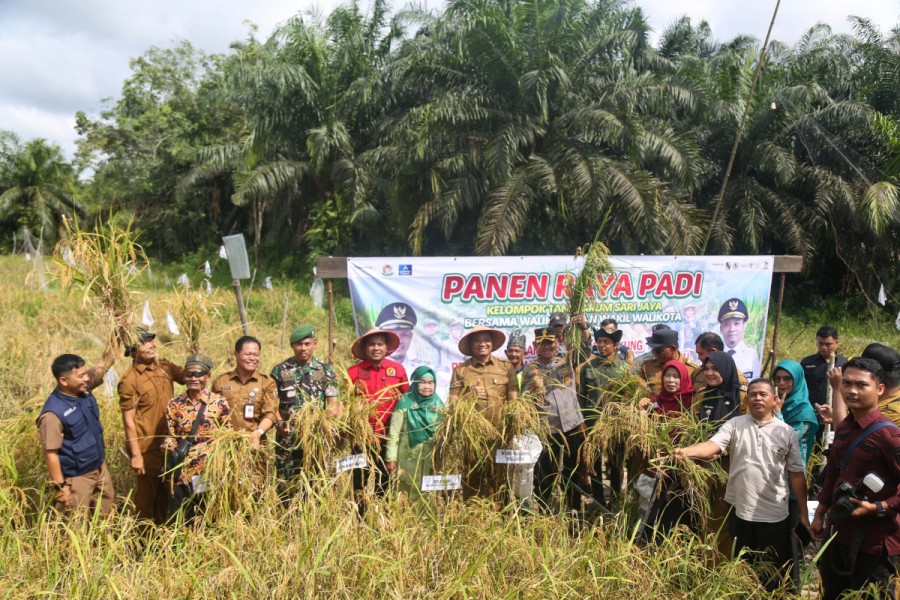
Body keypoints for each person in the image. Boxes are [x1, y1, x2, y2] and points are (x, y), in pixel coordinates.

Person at [676, 379, 811, 593]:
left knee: (770, 574)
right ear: (746, 399)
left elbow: (796, 474)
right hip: (740, 511)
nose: (757, 398)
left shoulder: (786, 432)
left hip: (774, 514)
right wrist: (684, 451)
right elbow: (713, 445)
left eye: (763, 394)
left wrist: (804, 512)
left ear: (774, 399)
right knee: (742, 570)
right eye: (753, 394)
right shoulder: (735, 424)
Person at [811, 358, 900, 600]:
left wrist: (878, 507)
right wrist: (820, 512)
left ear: (879, 389)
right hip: (839, 534)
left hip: (875, 543)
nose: (852, 390)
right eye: (847, 383)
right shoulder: (845, 427)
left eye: (861, 385)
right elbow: (833, 473)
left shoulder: (889, 435)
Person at [118, 328, 186, 524]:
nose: (151, 345)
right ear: (132, 349)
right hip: (146, 448)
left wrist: (194, 352)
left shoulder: (165, 367)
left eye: (151, 341)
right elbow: (128, 421)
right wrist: (137, 455)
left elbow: (188, 377)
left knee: (167, 494)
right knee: (146, 498)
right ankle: (142, 541)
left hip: (169, 445)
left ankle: (162, 536)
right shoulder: (130, 379)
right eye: (144, 342)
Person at [38, 350, 117, 515]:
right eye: (80, 376)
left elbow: (106, 363)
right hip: (77, 478)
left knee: (105, 518)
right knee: (77, 525)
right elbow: (50, 453)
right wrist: (60, 487)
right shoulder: (52, 414)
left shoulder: (84, 389)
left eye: (85, 374)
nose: (86, 378)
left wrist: (116, 333)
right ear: (64, 380)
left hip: (100, 467)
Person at [448, 326, 518, 499]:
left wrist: (513, 430)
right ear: (471, 345)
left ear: (492, 343)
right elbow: (452, 404)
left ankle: (498, 517)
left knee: (500, 478)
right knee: (472, 478)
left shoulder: (505, 367)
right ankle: (473, 517)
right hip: (472, 436)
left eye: (486, 340)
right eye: (477, 340)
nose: (482, 344)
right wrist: (468, 396)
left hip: (500, 435)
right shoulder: (461, 371)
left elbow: (513, 400)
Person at [522, 327, 587, 510]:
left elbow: (586, 351)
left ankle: (574, 516)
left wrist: (582, 328)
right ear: (535, 346)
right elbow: (524, 400)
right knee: (544, 475)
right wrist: (534, 389)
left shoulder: (566, 362)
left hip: (571, 425)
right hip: (546, 429)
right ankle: (544, 515)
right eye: (542, 343)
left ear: (556, 343)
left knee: (571, 473)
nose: (546, 347)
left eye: (550, 343)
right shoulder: (530, 370)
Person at [162, 354, 232, 522]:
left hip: (208, 471)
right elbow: (170, 435)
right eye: (189, 374)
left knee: (206, 518)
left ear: (207, 377)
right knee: (178, 519)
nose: (194, 378)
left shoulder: (219, 403)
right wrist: (167, 445)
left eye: (199, 374)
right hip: (182, 472)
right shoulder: (174, 404)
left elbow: (228, 435)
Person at [270, 326, 340, 484]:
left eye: (307, 344)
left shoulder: (326, 370)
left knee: (316, 481)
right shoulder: (280, 370)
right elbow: (271, 403)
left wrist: (324, 425)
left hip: (316, 437)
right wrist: (280, 422)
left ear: (315, 344)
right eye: (298, 344)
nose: (303, 348)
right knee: (285, 482)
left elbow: (332, 405)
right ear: (292, 346)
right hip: (287, 437)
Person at [347, 328, 409, 496]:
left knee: (385, 482)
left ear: (386, 347)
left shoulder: (397, 370)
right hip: (360, 438)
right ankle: (359, 519)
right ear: (365, 348)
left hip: (388, 438)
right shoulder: (353, 372)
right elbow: (344, 402)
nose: (376, 348)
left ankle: (382, 517)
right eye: (372, 344)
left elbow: (407, 399)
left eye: (380, 344)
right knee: (359, 480)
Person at [637, 361, 694, 534]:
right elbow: (643, 429)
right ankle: (649, 538)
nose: (671, 380)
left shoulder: (692, 400)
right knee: (654, 505)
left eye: (676, 376)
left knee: (676, 507)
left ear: (683, 378)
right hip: (659, 464)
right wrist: (641, 411)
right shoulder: (655, 401)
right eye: (667, 376)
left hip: (682, 463)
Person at [580, 325, 635, 503]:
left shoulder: (624, 369)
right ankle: (598, 500)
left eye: (606, 342)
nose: (602, 345)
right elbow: (581, 397)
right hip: (593, 423)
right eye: (599, 341)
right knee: (594, 463)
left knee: (616, 463)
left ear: (616, 345)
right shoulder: (588, 368)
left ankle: (616, 498)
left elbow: (629, 398)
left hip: (616, 425)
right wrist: (582, 424)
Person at [385, 366, 444, 502]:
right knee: (404, 493)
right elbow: (393, 435)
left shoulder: (439, 407)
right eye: (422, 382)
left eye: (430, 383)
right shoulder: (404, 405)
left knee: (427, 495)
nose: (426, 386)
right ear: (415, 383)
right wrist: (390, 458)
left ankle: (425, 523)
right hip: (406, 459)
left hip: (430, 459)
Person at [211, 336, 278, 451]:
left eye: (256, 355)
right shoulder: (221, 381)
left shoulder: (267, 382)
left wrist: (257, 433)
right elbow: (211, 412)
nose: (252, 358)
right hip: (225, 446)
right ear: (235, 355)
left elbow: (270, 414)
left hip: (255, 446)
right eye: (248, 354)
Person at [772, 359, 819, 468]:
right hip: (771, 466)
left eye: (787, 379)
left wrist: (778, 413)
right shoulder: (775, 402)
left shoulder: (804, 411)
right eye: (777, 379)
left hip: (791, 471)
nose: (781, 383)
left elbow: (787, 440)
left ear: (797, 380)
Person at [638, 328, 699, 395]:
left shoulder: (692, 369)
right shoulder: (647, 366)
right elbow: (640, 391)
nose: (654, 353)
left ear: (673, 348)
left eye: (658, 350)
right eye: (653, 349)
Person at [800, 325, 847, 408]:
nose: (823, 347)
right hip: (810, 410)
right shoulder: (807, 362)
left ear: (837, 342)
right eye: (820, 343)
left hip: (835, 411)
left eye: (828, 344)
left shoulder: (844, 363)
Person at [717, 298, 761, 379]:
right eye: (727, 324)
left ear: (743, 326)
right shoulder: (716, 355)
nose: (732, 329)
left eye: (736, 324)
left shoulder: (752, 355)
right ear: (721, 328)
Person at [696, 352, 744, 425]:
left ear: (726, 370)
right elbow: (692, 424)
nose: (709, 373)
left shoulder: (742, 396)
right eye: (706, 369)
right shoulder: (701, 395)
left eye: (715, 369)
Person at [375, 302, 418, 366]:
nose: (399, 341)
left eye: (404, 334)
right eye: (392, 334)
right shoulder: (368, 373)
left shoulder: (424, 372)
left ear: (410, 337)